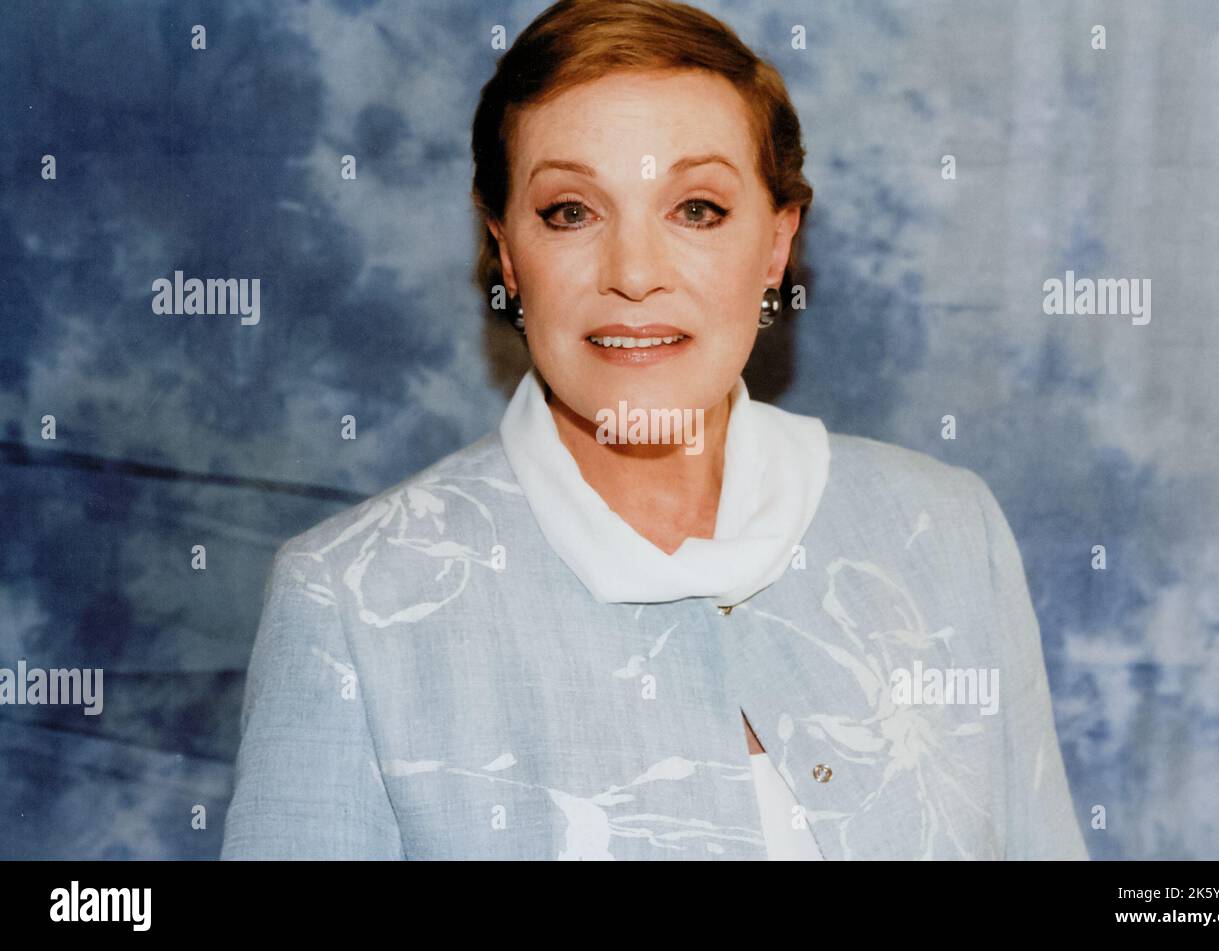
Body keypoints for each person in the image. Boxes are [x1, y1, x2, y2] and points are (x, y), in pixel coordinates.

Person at [221, 0, 1088, 861]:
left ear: (777, 243)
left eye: (697, 209)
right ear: (509, 254)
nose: (634, 274)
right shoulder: (349, 602)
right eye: (572, 211)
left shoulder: (946, 532)